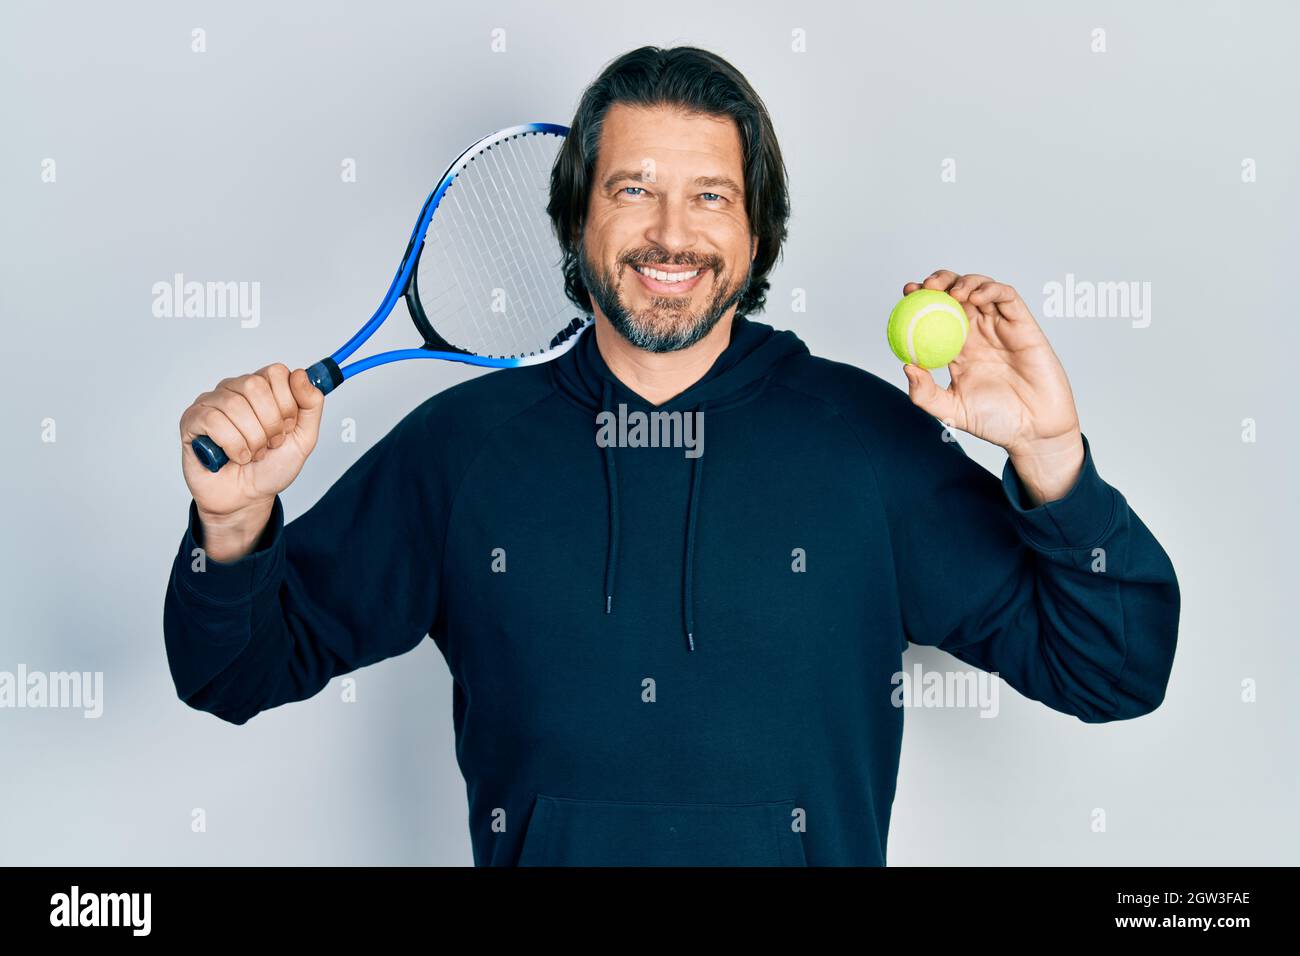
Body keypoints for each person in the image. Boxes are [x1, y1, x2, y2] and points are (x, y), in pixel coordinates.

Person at [163, 46, 1180, 866]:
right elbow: (233, 670)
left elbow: (1116, 669)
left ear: (755, 231)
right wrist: (233, 522)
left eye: (709, 197)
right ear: (576, 217)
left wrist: (1051, 457)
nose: (668, 234)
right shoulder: (462, 450)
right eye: (632, 190)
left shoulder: (870, 447)